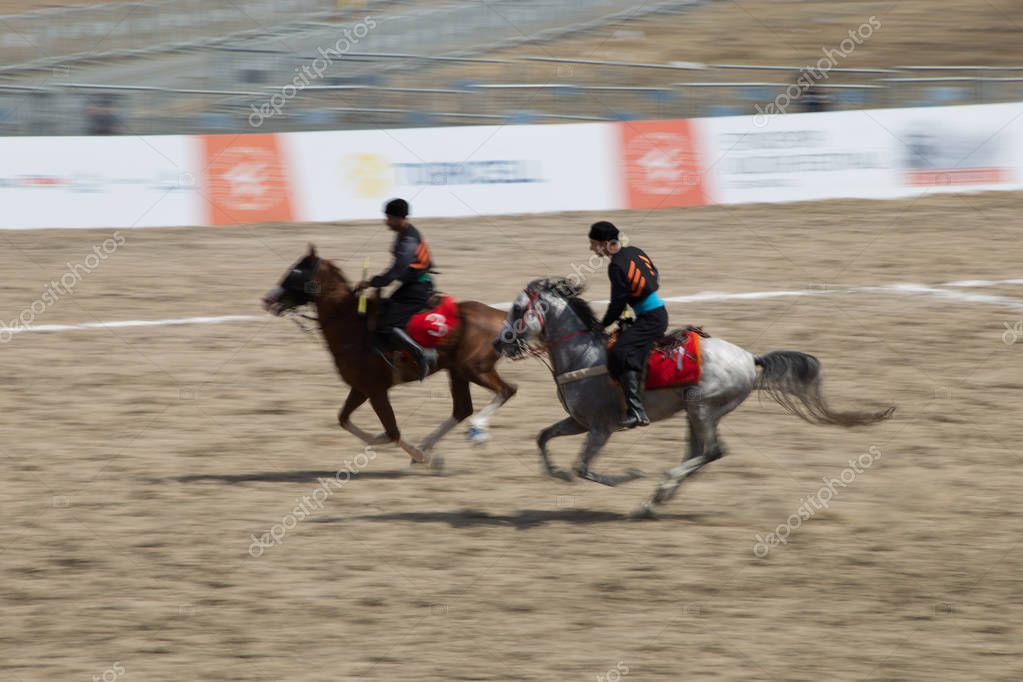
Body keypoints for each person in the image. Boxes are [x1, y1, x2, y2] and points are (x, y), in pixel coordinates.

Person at [589, 220, 668, 428]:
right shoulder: (635, 251)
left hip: (651, 319)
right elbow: (654, 276)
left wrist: (602, 325)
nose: (591, 248)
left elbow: (617, 302)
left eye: (593, 244)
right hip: (653, 314)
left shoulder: (615, 266)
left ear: (605, 244)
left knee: (619, 352)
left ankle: (637, 412)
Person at [355, 198, 438, 381]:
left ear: (399, 218)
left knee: (387, 324)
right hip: (411, 285)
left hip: (417, 288)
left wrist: (372, 283)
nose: (386, 222)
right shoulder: (403, 234)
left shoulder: (408, 239)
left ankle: (421, 354)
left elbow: (396, 271)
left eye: (388, 218)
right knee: (382, 310)